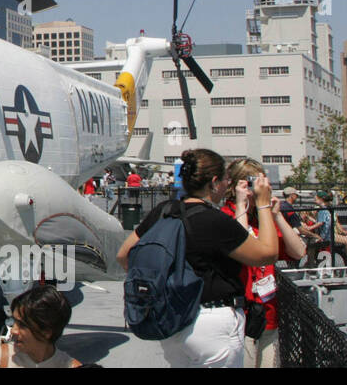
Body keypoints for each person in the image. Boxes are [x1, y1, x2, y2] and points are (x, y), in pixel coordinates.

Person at [115, 148, 279, 368]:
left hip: (174, 319)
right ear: (213, 182)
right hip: (213, 323)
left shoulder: (164, 211)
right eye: (224, 180)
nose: (225, 185)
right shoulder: (215, 221)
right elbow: (267, 253)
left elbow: (124, 255)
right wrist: (263, 203)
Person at [221, 159, 306, 368]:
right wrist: (242, 204)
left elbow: (298, 252)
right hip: (241, 318)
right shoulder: (226, 216)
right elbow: (244, 250)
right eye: (251, 183)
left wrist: (276, 216)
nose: (257, 188)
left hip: (269, 314)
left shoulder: (264, 218)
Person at [0, 285, 81, 368]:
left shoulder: (71, 366)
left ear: (46, 332)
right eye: (14, 322)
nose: (13, 330)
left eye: (22, 325)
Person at [311, 191, 347, 265]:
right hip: (329, 234)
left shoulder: (330, 208)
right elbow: (319, 222)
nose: (314, 200)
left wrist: (342, 230)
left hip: (335, 232)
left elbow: (336, 221)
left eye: (316, 199)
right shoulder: (318, 209)